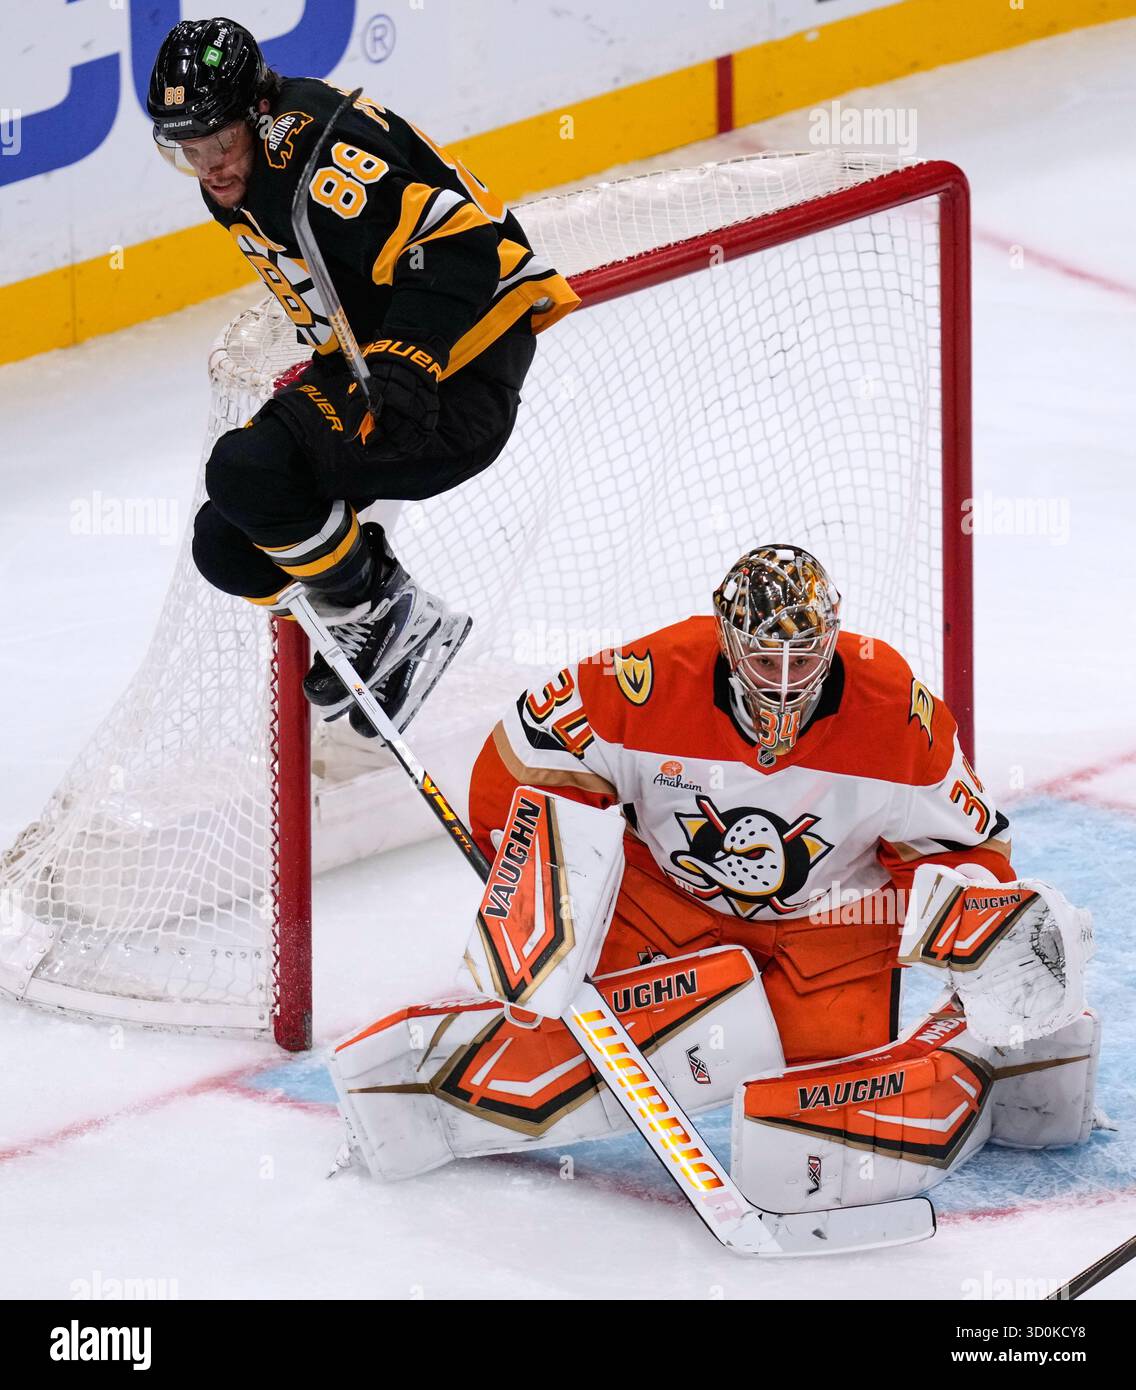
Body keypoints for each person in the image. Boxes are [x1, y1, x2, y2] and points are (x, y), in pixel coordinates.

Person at [328, 544, 1099, 1211]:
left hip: (827, 924)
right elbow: (523, 761)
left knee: (809, 1082)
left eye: (806, 658)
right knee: (659, 1039)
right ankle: (436, 1094)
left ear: (835, 640)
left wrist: (973, 931)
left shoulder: (898, 713)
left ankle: (1002, 1065)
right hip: (665, 907)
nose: (787, 680)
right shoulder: (644, 678)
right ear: (727, 640)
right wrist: (538, 893)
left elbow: (970, 852)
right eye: (766, 658)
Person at [147, 17, 578, 732]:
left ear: (258, 112)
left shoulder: (312, 156)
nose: (210, 165)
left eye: (219, 140)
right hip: (385, 365)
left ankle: (387, 608)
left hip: (460, 372)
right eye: (186, 149)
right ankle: (377, 615)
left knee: (246, 472)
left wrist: (410, 354)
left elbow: (463, 242)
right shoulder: (243, 172)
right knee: (223, 545)